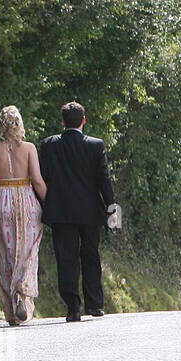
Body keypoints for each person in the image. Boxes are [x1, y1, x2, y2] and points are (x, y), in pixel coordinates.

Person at [39, 101, 118, 322]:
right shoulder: (95, 145)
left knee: (66, 258)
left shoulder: (49, 145)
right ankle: (94, 304)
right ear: (83, 120)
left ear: (63, 122)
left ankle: (72, 307)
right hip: (90, 210)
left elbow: (43, 178)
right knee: (90, 254)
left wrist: (46, 204)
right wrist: (112, 208)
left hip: (60, 210)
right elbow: (104, 180)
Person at [0, 106, 47, 325]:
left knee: (7, 252)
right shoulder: (29, 148)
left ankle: (11, 306)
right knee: (29, 249)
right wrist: (49, 202)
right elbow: (37, 180)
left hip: (2, 201)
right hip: (26, 199)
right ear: (19, 124)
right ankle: (22, 291)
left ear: (1, 125)